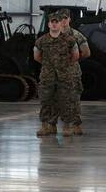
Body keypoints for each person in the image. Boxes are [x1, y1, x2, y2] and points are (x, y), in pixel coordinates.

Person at [33, 11, 80, 139]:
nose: (54, 25)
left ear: (60, 24)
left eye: (57, 22)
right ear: (48, 24)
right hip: (47, 76)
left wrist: (64, 65)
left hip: (64, 76)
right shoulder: (41, 41)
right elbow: (36, 56)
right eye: (52, 22)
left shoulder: (69, 40)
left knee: (65, 101)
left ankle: (66, 126)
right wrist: (48, 65)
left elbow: (76, 55)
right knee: (46, 101)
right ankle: (46, 126)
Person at [57, 11, 89, 135]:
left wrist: (73, 60)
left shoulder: (76, 35)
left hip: (72, 72)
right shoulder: (53, 35)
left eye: (65, 18)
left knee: (74, 99)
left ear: (69, 19)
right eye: (60, 19)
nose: (63, 21)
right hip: (57, 72)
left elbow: (86, 52)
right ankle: (65, 125)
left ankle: (76, 124)